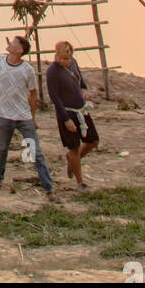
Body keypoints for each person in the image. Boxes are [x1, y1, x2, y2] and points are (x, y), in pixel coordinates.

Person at [0, 35, 54, 200]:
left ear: (19, 51)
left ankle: (48, 188)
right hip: (4, 114)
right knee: (2, 150)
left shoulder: (28, 70)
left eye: (13, 43)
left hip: (23, 116)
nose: (9, 44)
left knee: (35, 152)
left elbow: (33, 94)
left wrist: (33, 118)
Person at [46, 41, 99, 190]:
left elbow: (80, 79)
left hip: (81, 109)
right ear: (56, 55)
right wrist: (66, 119)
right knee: (73, 147)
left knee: (93, 140)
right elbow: (54, 97)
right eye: (63, 59)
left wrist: (84, 89)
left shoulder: (73, 63)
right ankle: (80, 182)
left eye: (68, 58)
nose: (67, 61)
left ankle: (72, 160)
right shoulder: (52, 71)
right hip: (66, 112)